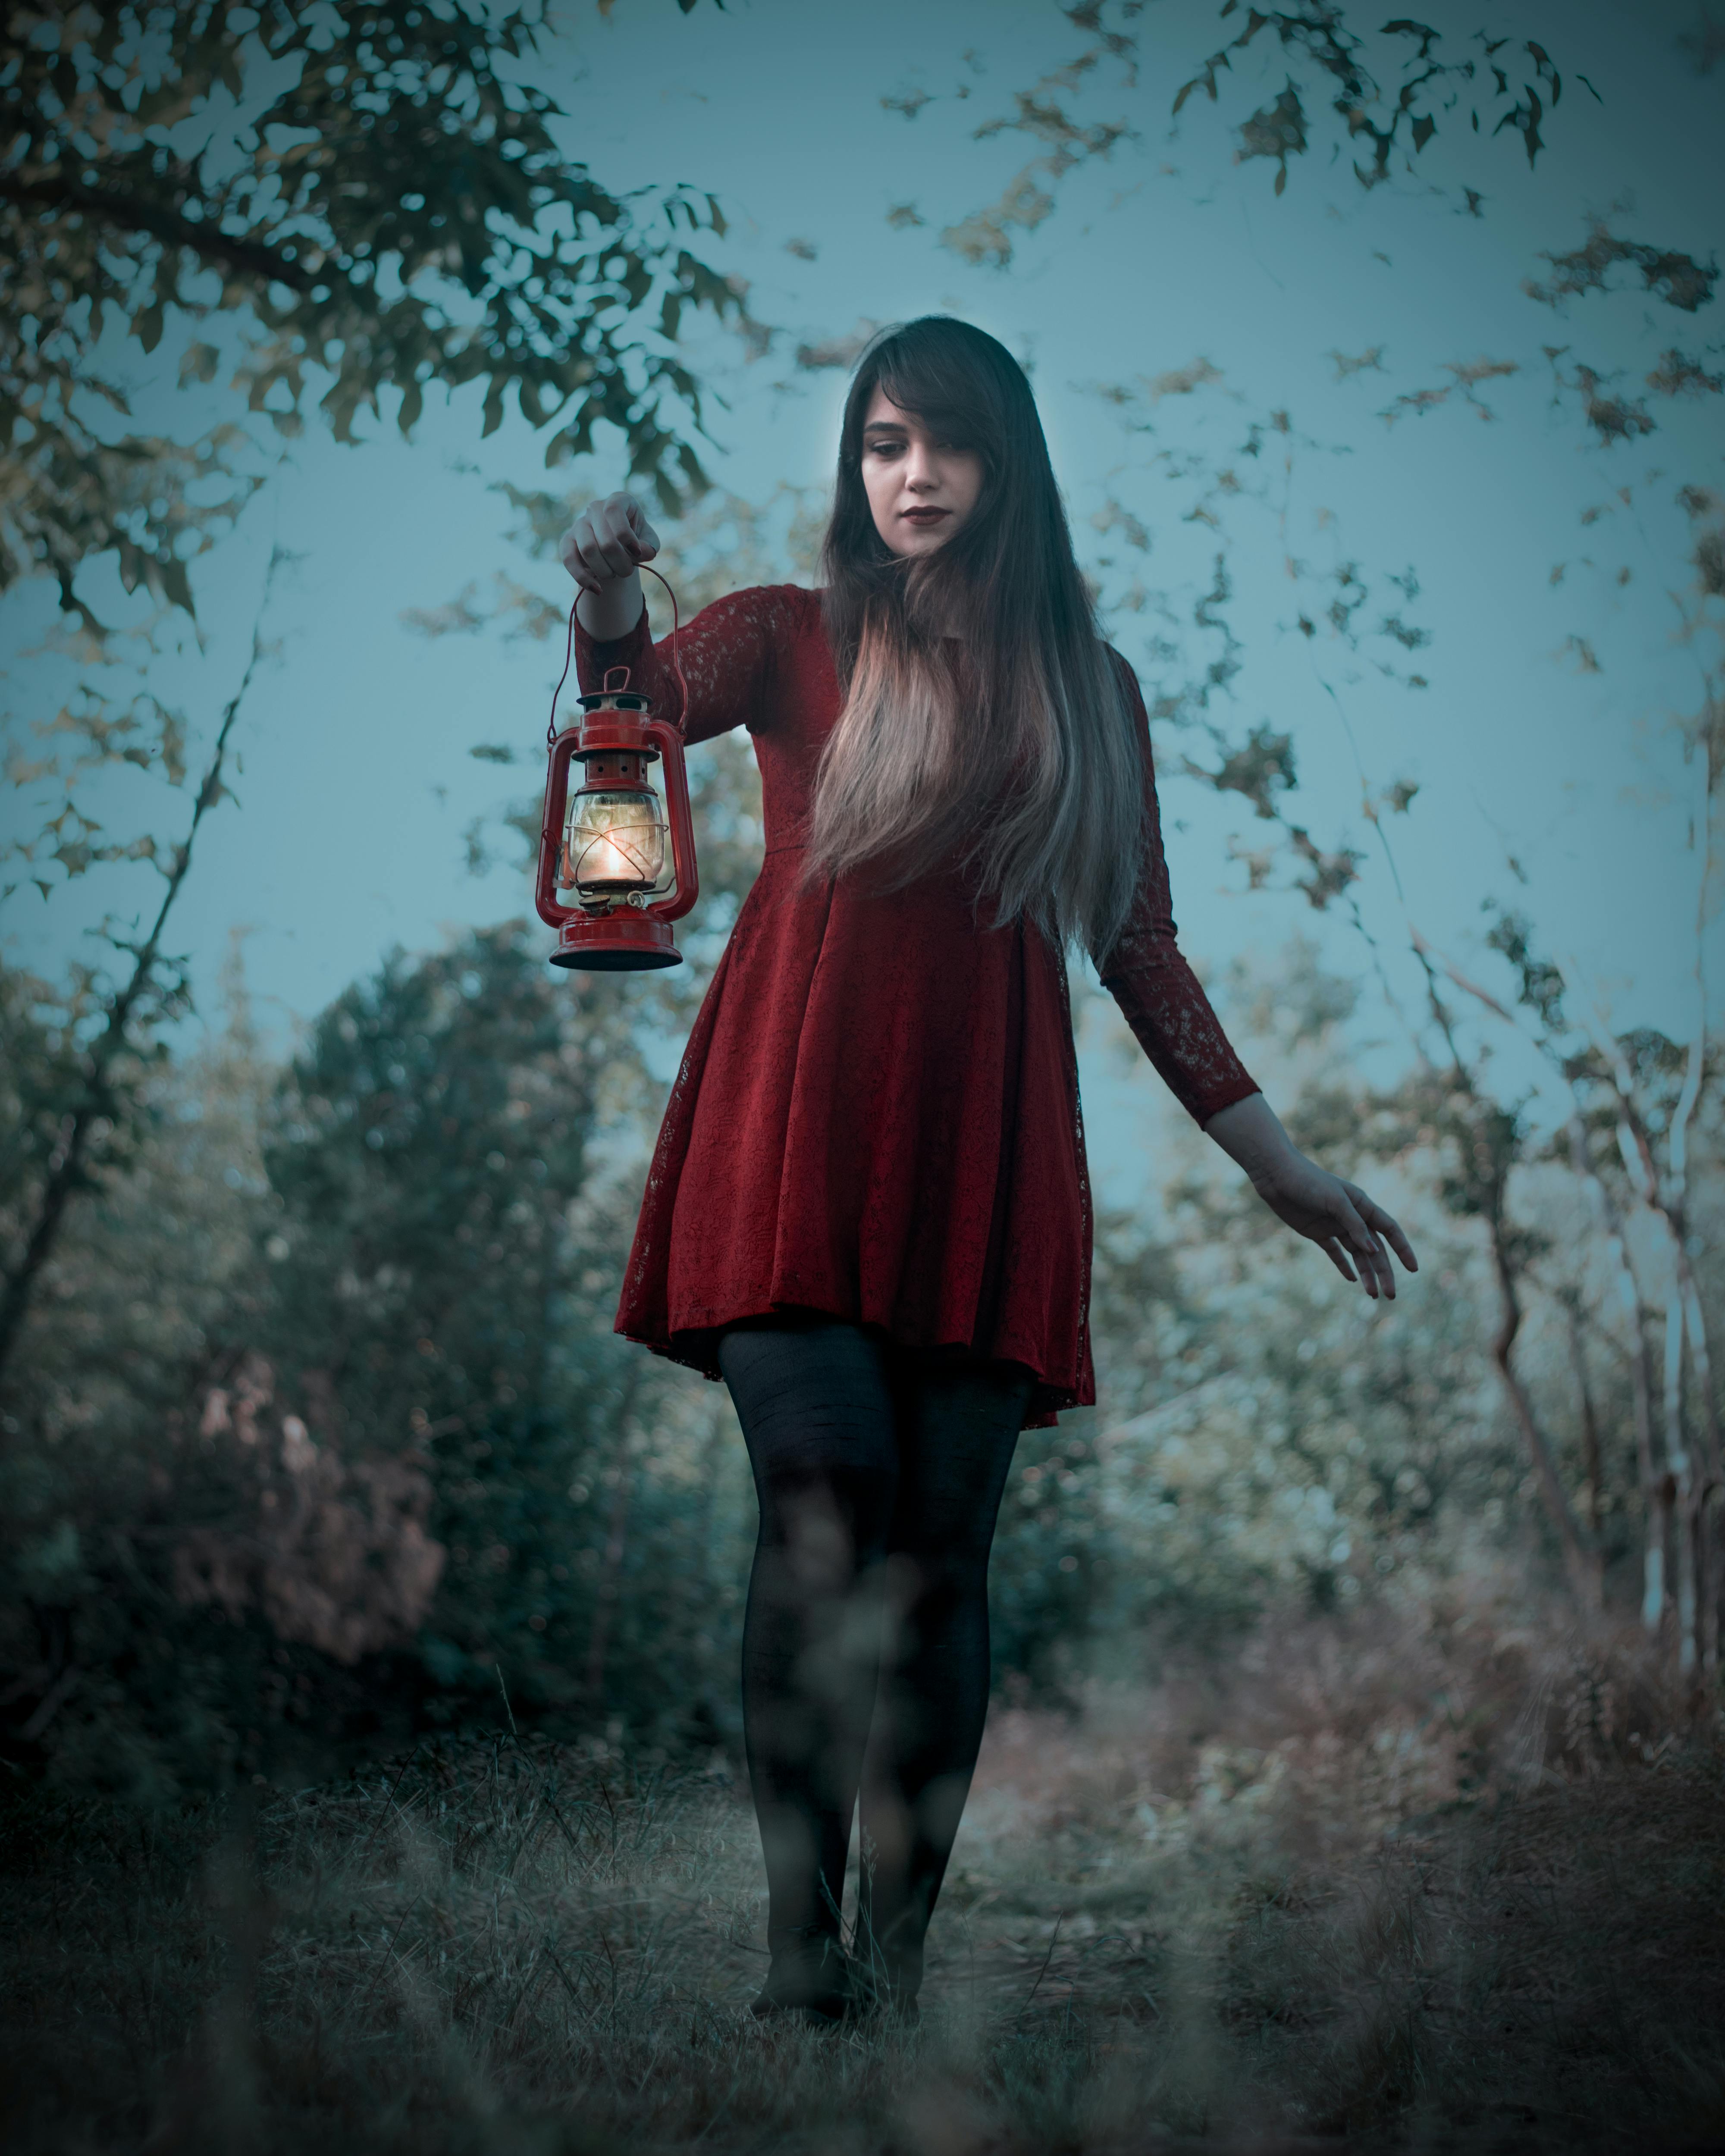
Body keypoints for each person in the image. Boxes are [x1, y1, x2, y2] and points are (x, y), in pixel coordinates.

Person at [559, 317, 1415, 2024]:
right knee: (822, 1490)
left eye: (946, 442)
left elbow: (1140, 945)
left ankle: (897, 1967)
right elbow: (633, 715)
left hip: (988, 1156)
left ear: (1007, 461)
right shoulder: (787, 634)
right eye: (884, 443)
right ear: (855, 465)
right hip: (788, 1139)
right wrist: (602, 604)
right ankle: (799, 1961)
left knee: (942, 1551)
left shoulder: (1089, 689)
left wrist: (1279, 1162)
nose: (915, 473)